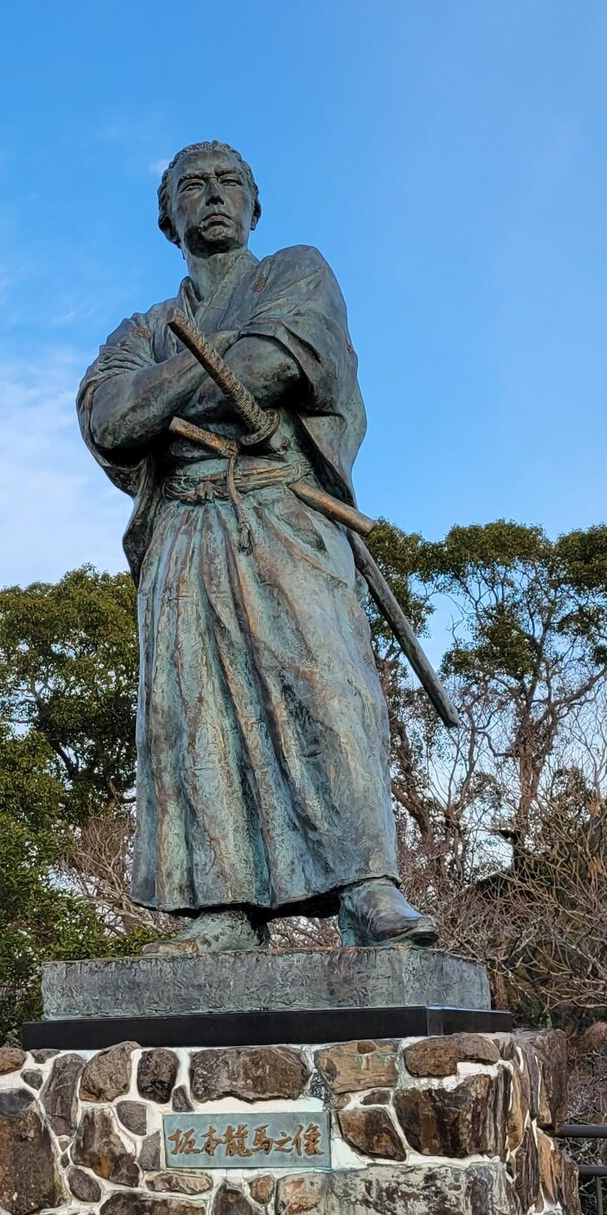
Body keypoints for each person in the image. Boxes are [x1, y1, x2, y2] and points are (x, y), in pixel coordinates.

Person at [76, 140, 437, 953]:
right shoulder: (141, 328)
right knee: (191, 714)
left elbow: (274, 363)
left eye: (228, 183)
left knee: (327, 688)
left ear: (253, 204)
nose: (211, 196)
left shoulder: (295, 272)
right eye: (191, 187)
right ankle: (219, 909)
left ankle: (367, 889)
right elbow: (107, 419)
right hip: (182, 531)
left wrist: (165, 400)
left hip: (281, 508)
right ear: (165, 214)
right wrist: (202, 382)